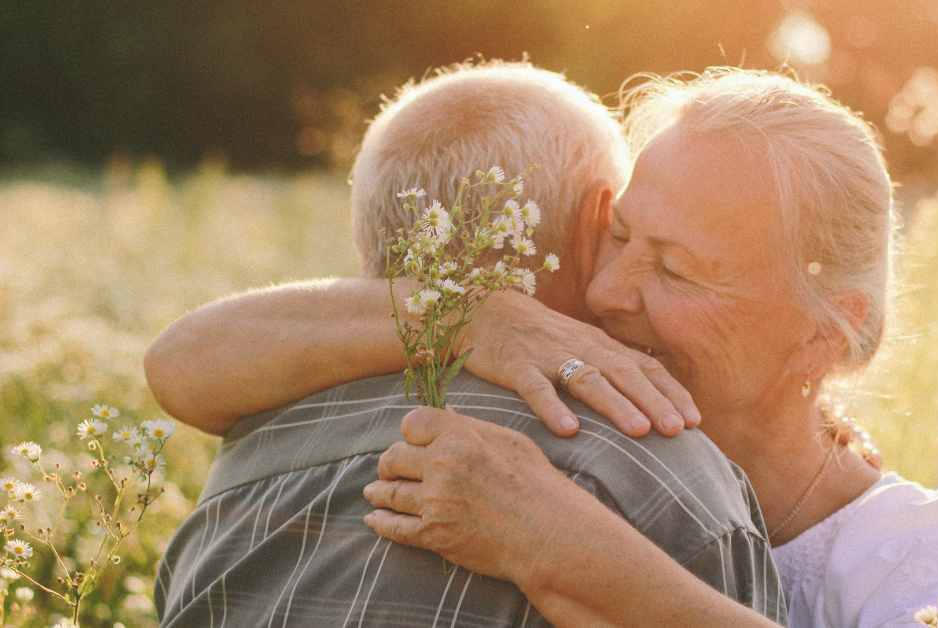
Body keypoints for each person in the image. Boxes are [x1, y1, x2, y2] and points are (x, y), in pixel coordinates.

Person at [149, 68, 938, 628]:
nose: (612, 293)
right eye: (620, 238)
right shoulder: (570, 433)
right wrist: (472, 313)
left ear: (828, 330)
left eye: (678, 271)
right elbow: (182, 362)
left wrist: (559, 547)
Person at [150, 62, 787, 628]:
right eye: (621, 231)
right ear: (597, 218)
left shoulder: (245, 457)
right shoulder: (661, 466)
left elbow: (171, 361)